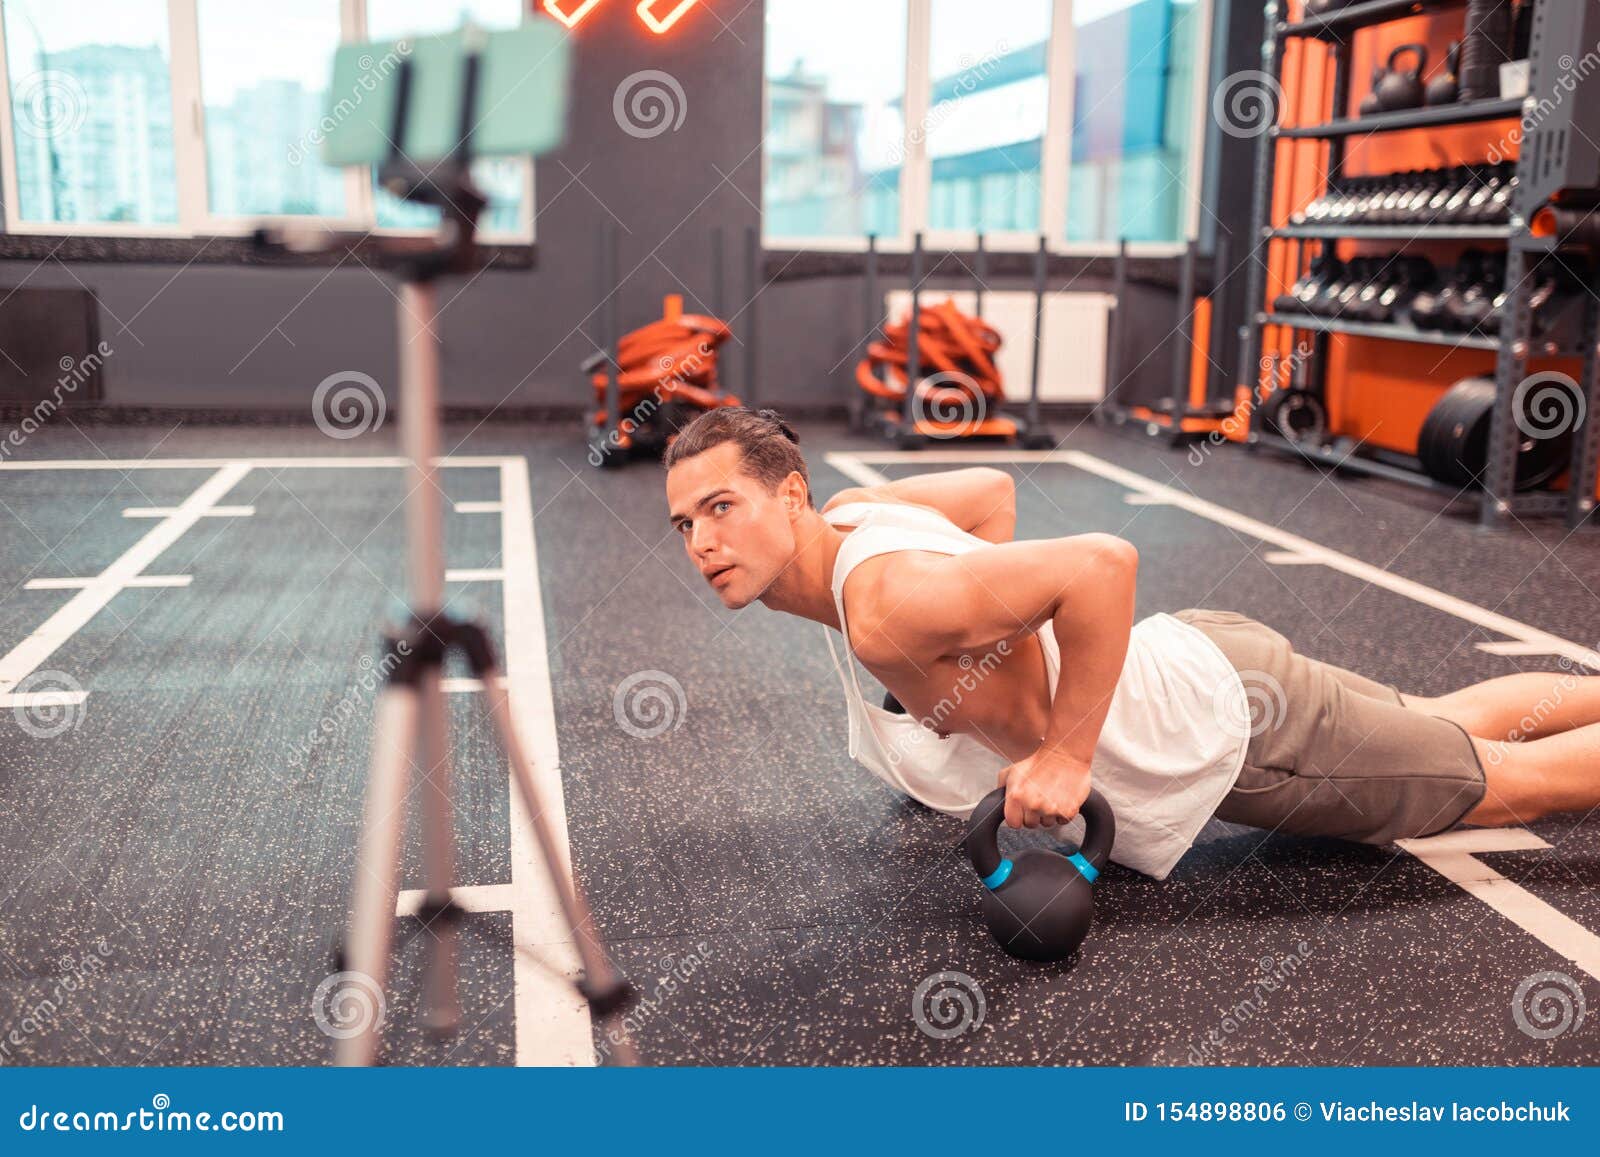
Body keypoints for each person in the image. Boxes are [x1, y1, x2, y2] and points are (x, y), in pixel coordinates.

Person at [662, 406, 1600, 879]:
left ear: (790, 495)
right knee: (1447, 721)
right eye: (685, 523)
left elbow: (1101, 563)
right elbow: (990, 493)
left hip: (1239, 738)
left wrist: (1066, 755)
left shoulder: (884, 605)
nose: (702, 541)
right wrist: (978, 661)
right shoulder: (857, 513)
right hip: (1205, 661)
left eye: (722, 506)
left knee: (1512, 784)